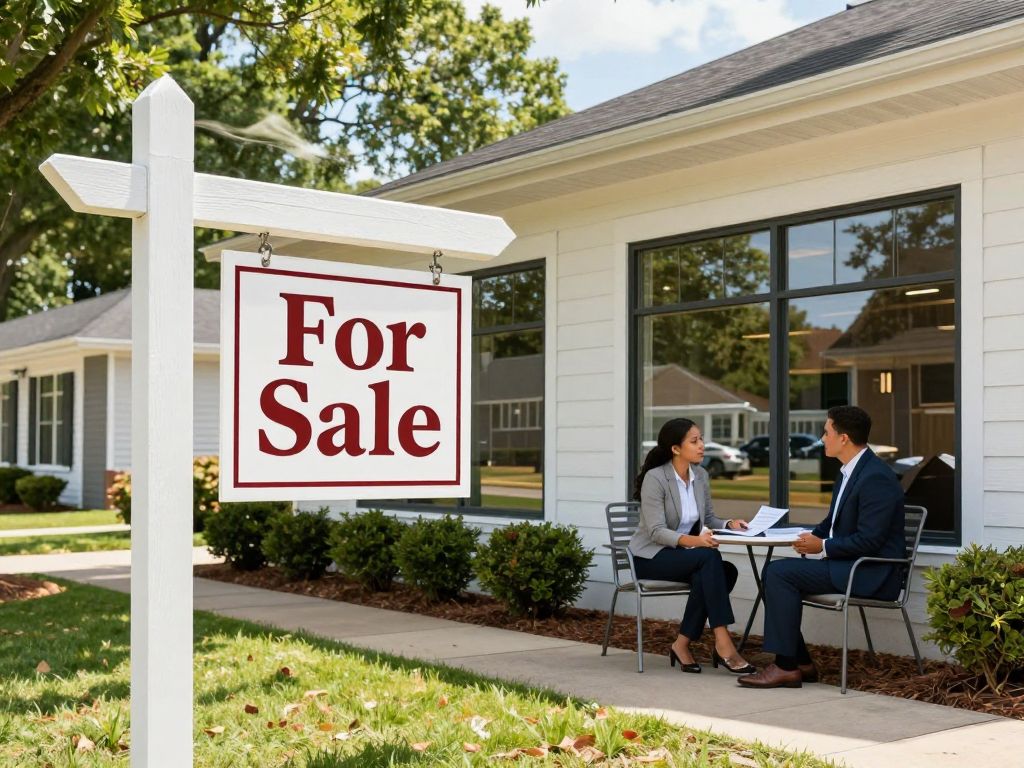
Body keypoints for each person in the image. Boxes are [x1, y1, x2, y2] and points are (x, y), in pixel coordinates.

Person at [738, 405, 906, 689]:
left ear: (844, 438)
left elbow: (870, 540)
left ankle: (786, 666)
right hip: (846, 565)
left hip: (870, 572)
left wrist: (823, 546)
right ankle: (800, 663)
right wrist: (806, 536)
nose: (821, 438)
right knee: (776, 573)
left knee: (778, 574)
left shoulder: (876, 477)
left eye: (826, 432)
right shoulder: (849, 472)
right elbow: (831, 522)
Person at [629, 418, 755, 675]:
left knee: (724, 571)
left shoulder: (700, 475)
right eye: (694, 441)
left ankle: (682, 644)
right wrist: (697, 542)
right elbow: (656, 532)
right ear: (676, 448)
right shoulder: (656, 478)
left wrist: (730, 523)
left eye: (701, 439)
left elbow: (708, 519)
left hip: (682, 556)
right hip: (650, 557)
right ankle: (724, 643)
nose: (702, 446)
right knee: (710, 560)